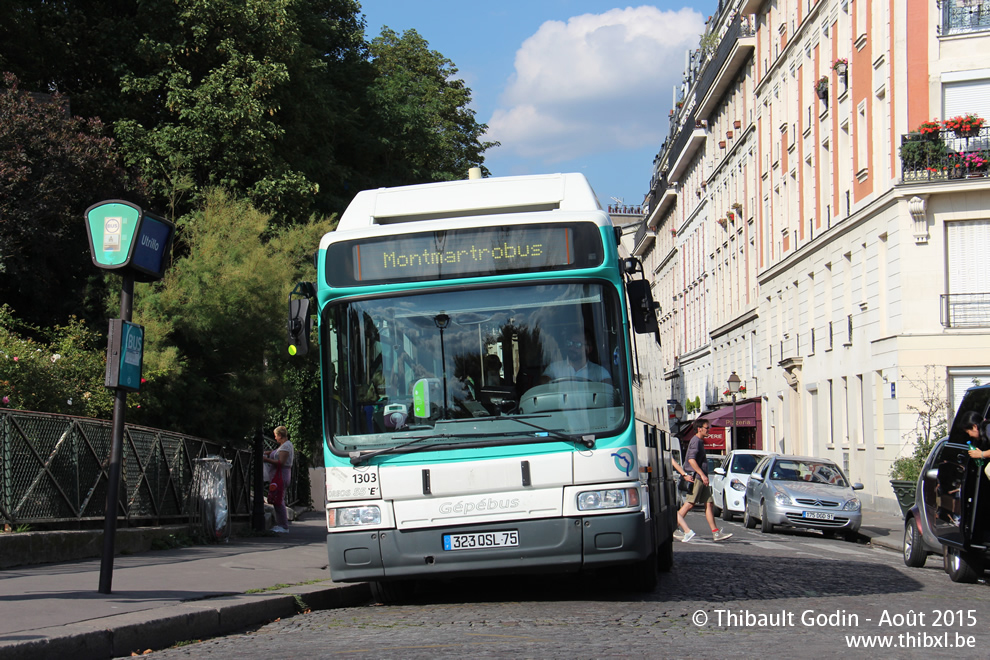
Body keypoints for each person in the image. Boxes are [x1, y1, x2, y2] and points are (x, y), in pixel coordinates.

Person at [675, 420, 732, 542]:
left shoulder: (699, 441)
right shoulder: (695, 441)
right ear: (699, 428)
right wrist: (702, 474)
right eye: (707, 428)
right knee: (689, 505)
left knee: (709, 504)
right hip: (697, 478)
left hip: (702, 478)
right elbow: (691, 460)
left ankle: (716, 533)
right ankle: (674, 528)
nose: (708, 430)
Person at [543, 330, 612, 384]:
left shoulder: (599, 372)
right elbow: (542, 386)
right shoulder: (554, 368)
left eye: (578, 345)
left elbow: (608, 392)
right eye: (570, 343)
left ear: (589, 349)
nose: (572, 348)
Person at [264, 426, 294, 533]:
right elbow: (276, 453)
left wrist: (266, 459)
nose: (275, 438)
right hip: (279, 475)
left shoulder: (286, 447)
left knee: (278, 499)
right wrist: (269, 453)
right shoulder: (284, 446)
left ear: (280, 436)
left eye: (276, 436)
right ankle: (281, 524)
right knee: (278, 499)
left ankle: (283, 525)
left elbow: (280, 462)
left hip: (281, 475)